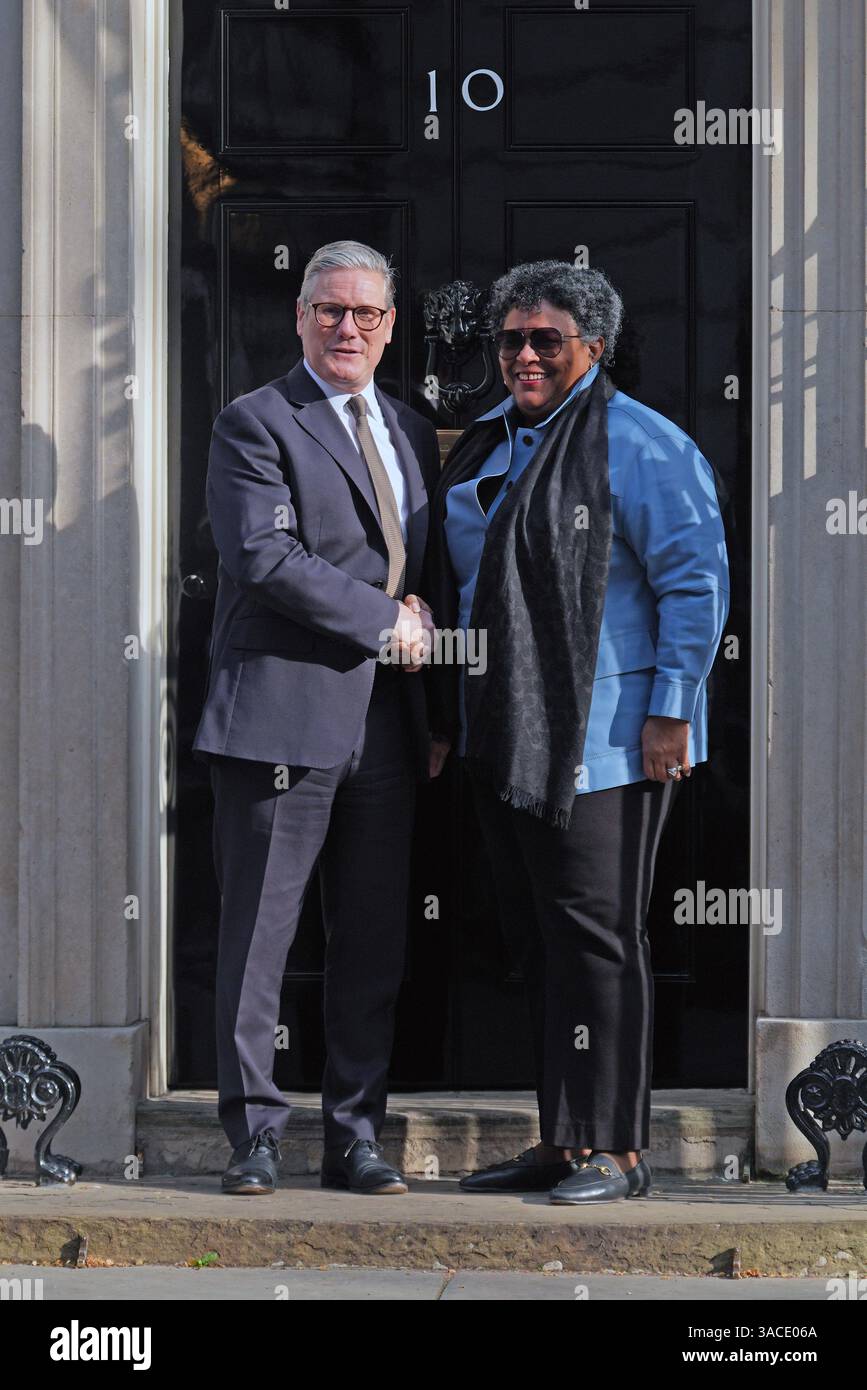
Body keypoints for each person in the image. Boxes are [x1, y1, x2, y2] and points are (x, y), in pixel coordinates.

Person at [424, 260, 730, 1202]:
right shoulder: (487, 443)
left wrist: (670, 713)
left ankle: (617, 1152)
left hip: (609, 740)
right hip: (508, 732)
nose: (523, 354)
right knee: (543, 942)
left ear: (591, 346)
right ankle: (561, 1139)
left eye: (545, 340)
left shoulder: (641, 444)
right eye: (511, 339)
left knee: (600, 940)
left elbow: (694, 582)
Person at [193, 240, 441, 1195]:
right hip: (278, 716)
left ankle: (354, 1136)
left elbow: (428, 576)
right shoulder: (254, 422)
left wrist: (435, 710)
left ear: (388, 326)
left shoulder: (413, 433)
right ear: (300, 317)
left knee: (371, 937)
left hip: (385, 725)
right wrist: (385, 621)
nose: (347, 328)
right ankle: (253, 1134)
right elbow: (263, 557)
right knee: (259, 933)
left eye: (366, 314)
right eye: (330, 311)